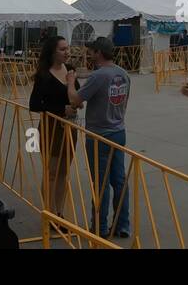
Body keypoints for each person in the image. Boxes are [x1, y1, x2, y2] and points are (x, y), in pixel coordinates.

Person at [66, 37, 131, 239]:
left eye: (92, 52)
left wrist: (70, 82)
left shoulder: (98, 76)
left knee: (100, 183)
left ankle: (100, 228)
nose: (90, 55)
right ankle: (122, 225)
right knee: (119, 180)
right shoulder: (123, 74)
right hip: (118, 131)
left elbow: (76, 99)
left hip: (99, 135)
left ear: (99, 53)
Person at [29, 35, 79, 220]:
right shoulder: (44, 75)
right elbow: (34, 104)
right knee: (52, 172)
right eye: (62, 49)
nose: (67, 52)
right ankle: (49, 213)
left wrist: (73, 87)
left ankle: (60, 213)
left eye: (67, 48)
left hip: (69, 126)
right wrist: (60, 109)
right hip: (51, 127)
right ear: (52, 52)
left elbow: (76, 96)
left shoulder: (70, 70)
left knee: (64, 172)